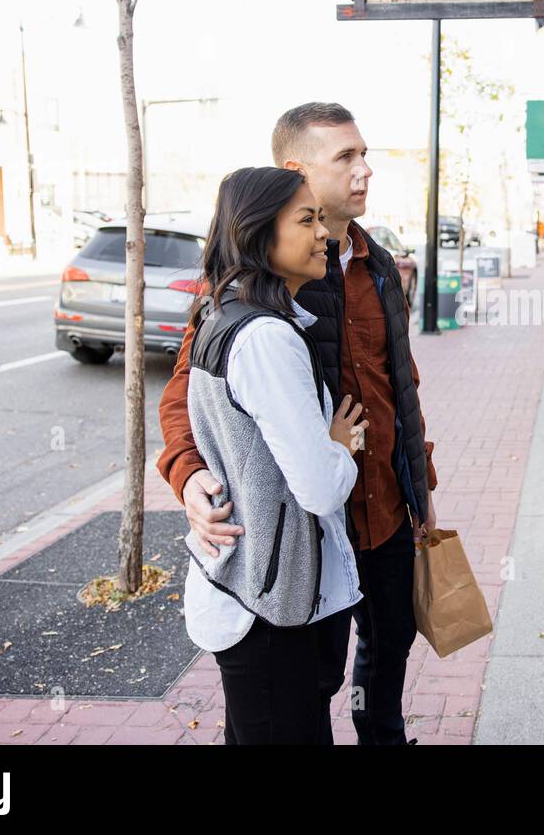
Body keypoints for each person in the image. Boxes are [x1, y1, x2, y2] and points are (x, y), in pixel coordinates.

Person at [159, 103, 438, 745]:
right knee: (306, 687)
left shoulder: (377, 265)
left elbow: (403, 383)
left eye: (364, 154)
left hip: (387, 510)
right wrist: (188, 473)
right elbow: (186, 391)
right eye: (345, 157)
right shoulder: (264, 282)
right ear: (296, 171)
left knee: (388, 648)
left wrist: (420, 486)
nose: (365, 170)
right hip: (313, 528)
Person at [182, 165, 369, 744]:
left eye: (322, 219)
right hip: (270, 608)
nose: (325, 235)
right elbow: (317, 487)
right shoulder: (266, 338)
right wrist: (339, 447)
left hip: (254, 590)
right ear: (261, 233)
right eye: (307, 220)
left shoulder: (225, 314)